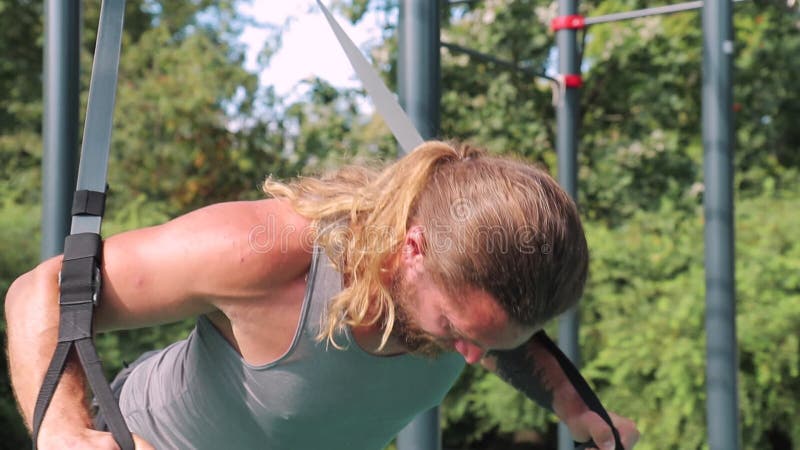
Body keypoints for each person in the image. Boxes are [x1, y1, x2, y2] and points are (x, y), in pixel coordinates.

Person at [6, 141, 640, 450]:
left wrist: (569, 402)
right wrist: (63, 432)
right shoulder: (264, 253)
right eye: (455, 330)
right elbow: (46, 288)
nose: (472, 359)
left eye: (491, 342)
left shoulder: (471, 299)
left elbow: (501, 341)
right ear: (412, 248)